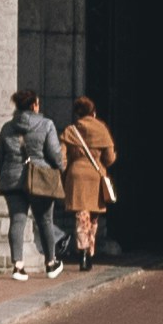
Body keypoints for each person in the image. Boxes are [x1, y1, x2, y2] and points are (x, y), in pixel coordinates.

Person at [0, 82, 65, 282]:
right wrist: (60, 168)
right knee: (45, 221)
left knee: (17, 221)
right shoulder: (46, 125)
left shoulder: (7, 128)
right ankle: (51, 263)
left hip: (12, 180)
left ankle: (18, 266)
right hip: (40, 179)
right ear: (34, 105)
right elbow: (54, 154)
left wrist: (5, 177)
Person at [61, 93, 117, 269]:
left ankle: (83, 252)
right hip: (95, 176)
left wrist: (65, 170)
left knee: (81, 215)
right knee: (93, 216)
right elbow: (109, 158)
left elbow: (61, 157)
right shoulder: (101, 129)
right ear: (93, 112)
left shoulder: (71, 131)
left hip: (77, 176)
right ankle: (90, 252)